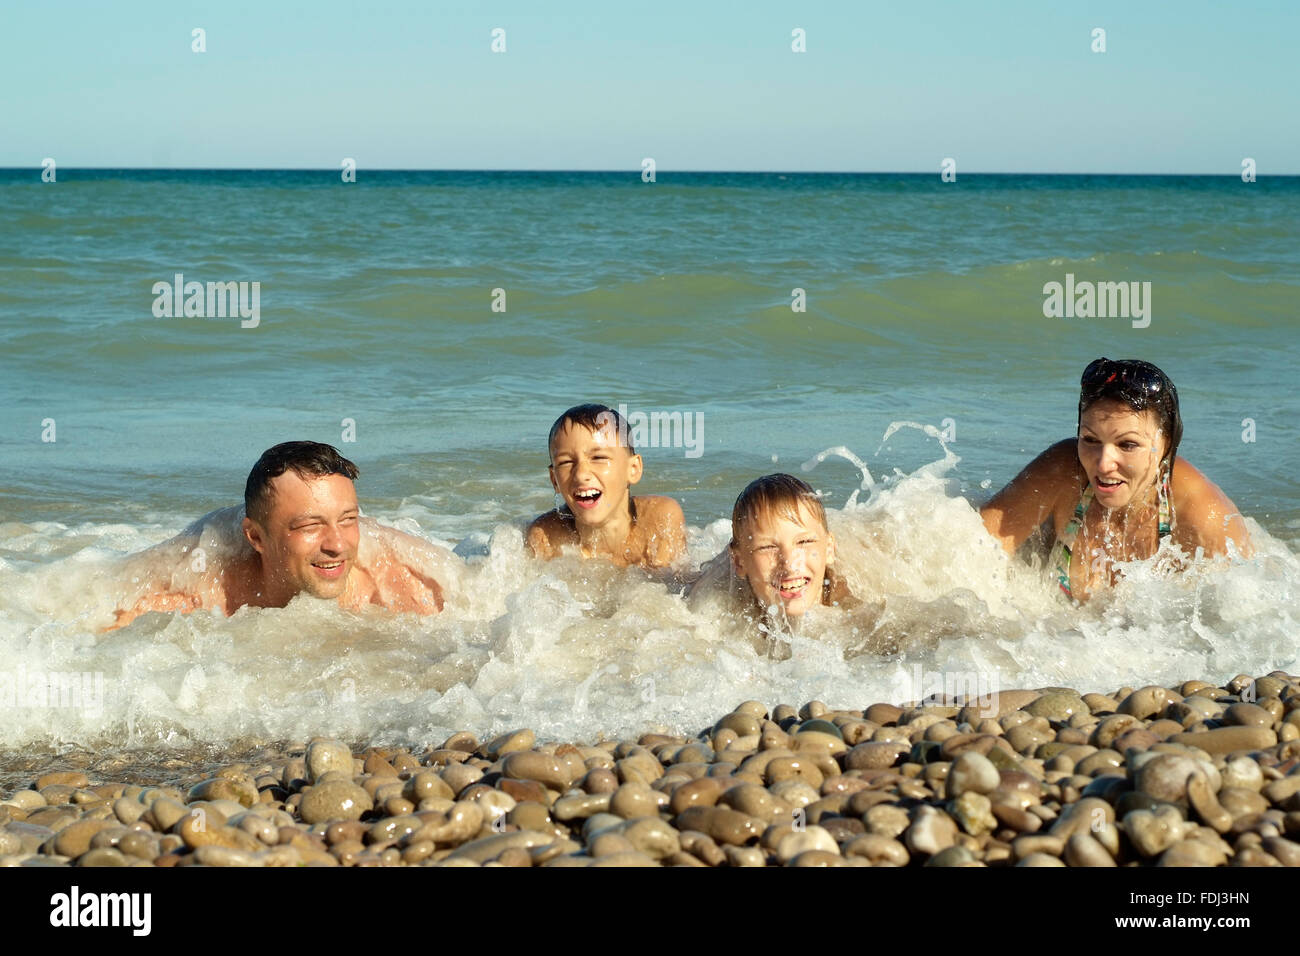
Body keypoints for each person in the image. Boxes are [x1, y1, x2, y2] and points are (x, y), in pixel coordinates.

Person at [980, 358, 1250, 601]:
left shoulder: (1200, 510)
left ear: (1166, 445)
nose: (1102, 463)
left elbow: (1247, 615)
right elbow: (972, 549)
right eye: (1090, 439)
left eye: (1127, 444)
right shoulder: (1063, 470)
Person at [108, 441, 459, 629]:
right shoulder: (196, 599)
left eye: (349, 519)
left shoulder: (406, 593)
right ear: (256, 538)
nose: (337, 545)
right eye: (310, 526)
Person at [526, 404, 687, 571]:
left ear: (633, 469)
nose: (581, 474)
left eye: (598, 457)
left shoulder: (659, 520)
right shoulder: (547, 537)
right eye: (566, 462)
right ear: (554, 480)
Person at [691, 474, 853, 636]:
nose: (790, 564)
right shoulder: (714, 608)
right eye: (768, 547)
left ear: (829, 549)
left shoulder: (849, 612)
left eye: (804, 542)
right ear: (739, 562)